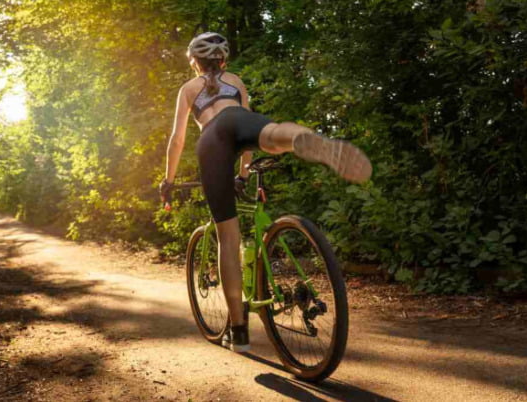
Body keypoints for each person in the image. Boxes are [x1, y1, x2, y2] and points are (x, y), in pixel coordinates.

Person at [159, 32, 371, 352]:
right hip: (241, 122)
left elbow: (177, 139)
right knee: (271, 135)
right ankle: (304, 139)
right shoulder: (237, 83)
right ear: (223, 60)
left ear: (194, 62)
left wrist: (168, 181)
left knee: (228, 240)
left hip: (213, 142)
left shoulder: (189, 89)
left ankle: (240, 333)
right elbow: (246, 147)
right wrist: (244, 174)